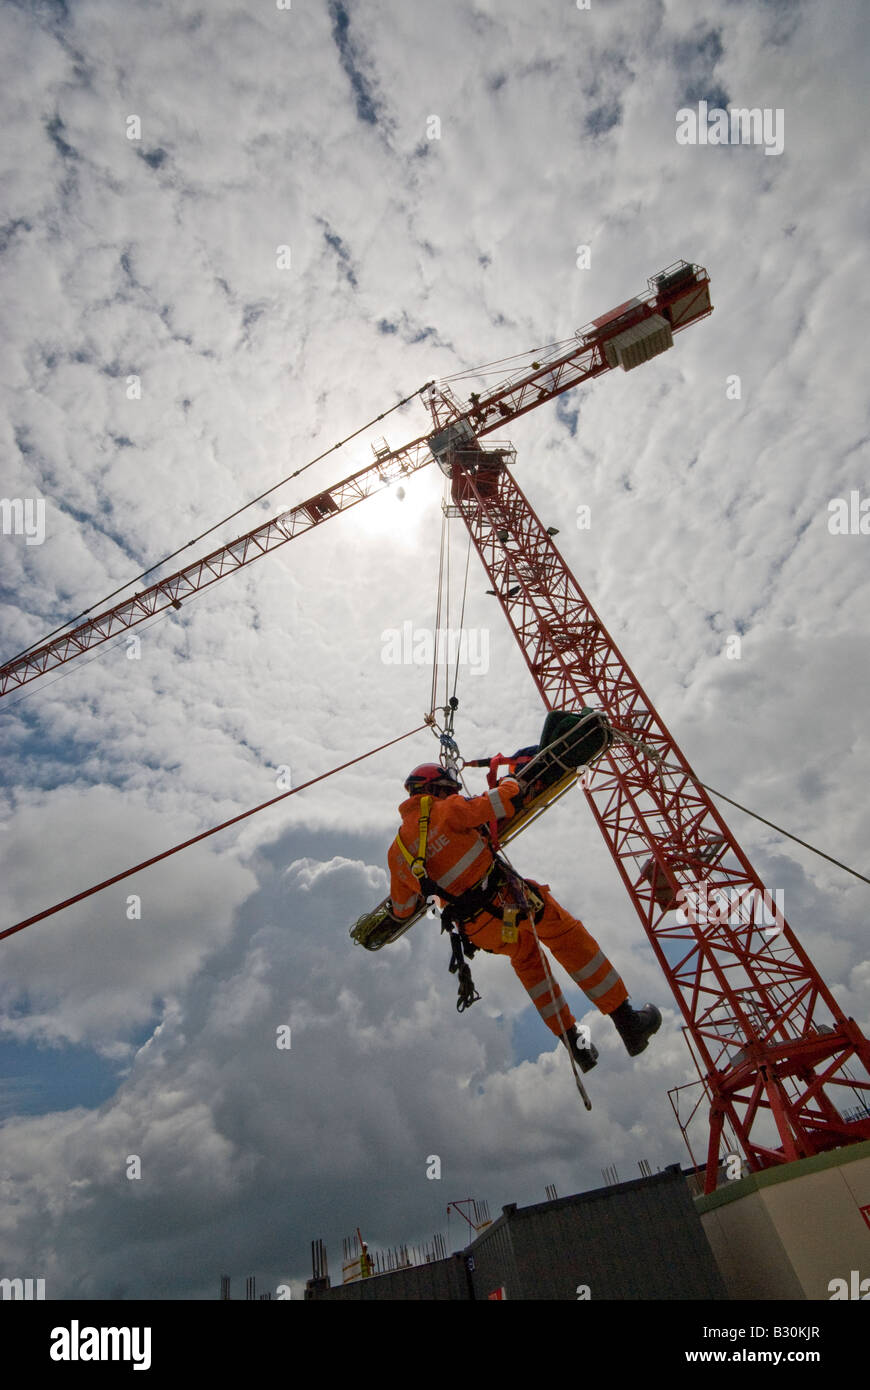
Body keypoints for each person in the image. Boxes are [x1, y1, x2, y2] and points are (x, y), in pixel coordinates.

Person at [387, 762, 661, 1071]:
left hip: (480, 932)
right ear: (435, 789)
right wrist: (508, 779)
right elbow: (504, 799)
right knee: (565, 935)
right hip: (510, 903)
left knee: (530, 965)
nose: (451, 794)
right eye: (448, 790)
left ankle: (578, 1048)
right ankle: (629, 1024)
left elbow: (402, 910)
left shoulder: (397, 854)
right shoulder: (449, 809)